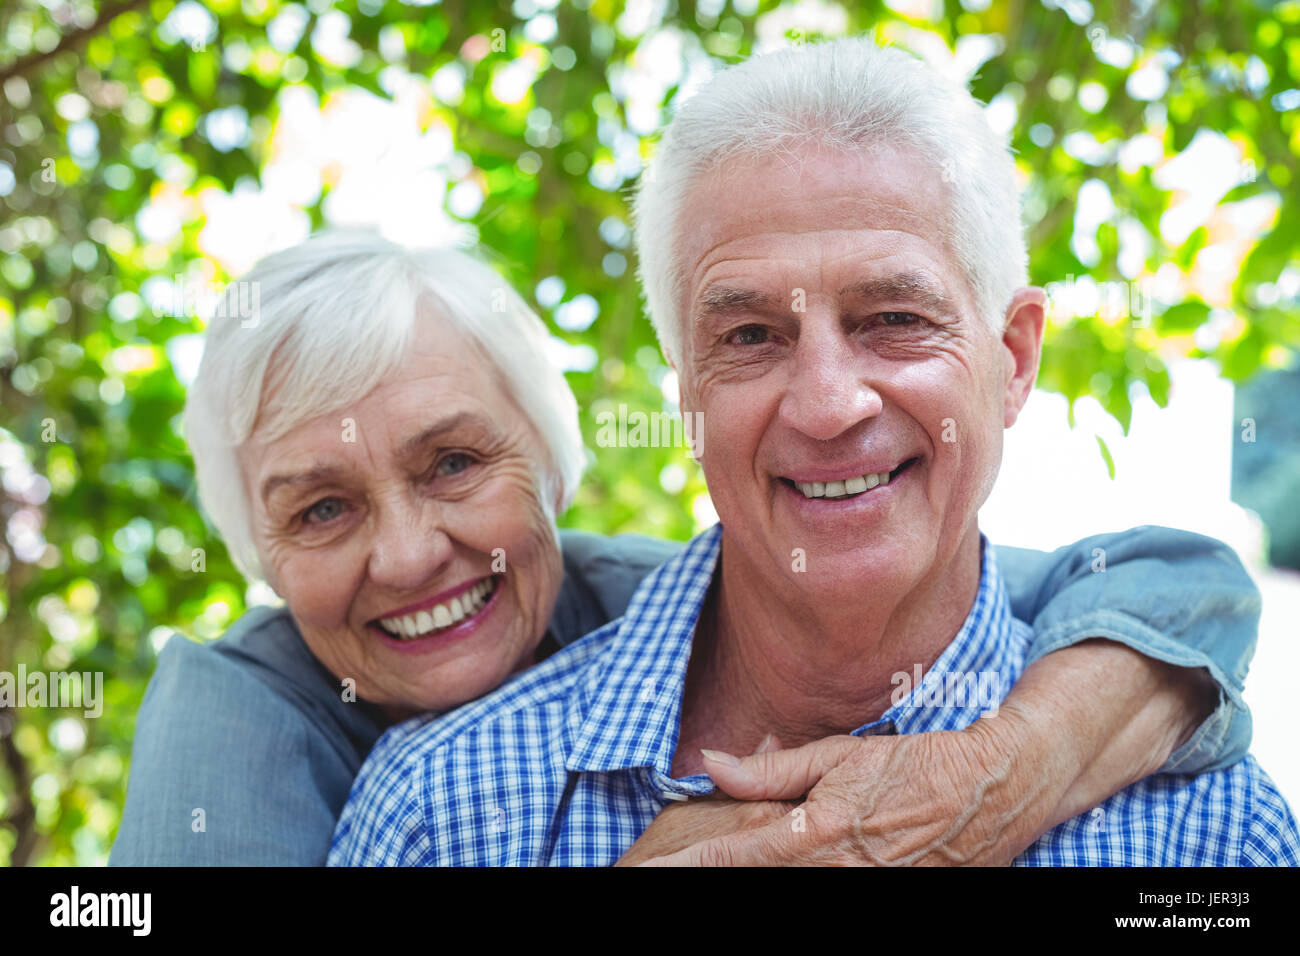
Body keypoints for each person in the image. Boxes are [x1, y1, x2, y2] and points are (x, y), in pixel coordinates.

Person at [328, 38, 1298, 867]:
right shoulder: (438, 809)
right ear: (686, 391)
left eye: (893, 318)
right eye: (749, 335)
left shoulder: (1204, 836)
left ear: (1011, 361)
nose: (828, 405)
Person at [111, 231, 1248, 868]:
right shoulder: (235, 710)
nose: (409, 554)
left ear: (550, 466)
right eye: (319, 510)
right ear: (253, 545)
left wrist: (1013, 767)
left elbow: (1175, 583)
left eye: (454, 463)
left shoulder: (671, 596)